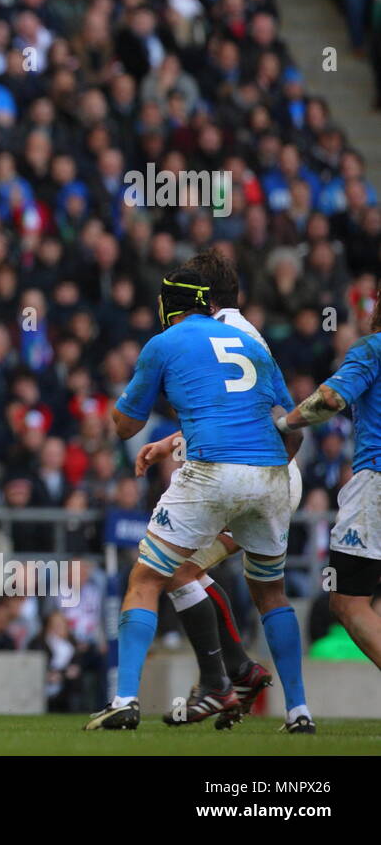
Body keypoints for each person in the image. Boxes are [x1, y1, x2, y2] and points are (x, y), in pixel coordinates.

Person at [89, 266, 314, 733]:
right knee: (268, 592)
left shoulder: (167, 342)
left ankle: (126, 700)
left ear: (170, 307)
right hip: (271, 473)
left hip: (215, 471)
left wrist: (127, 411)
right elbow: (282, 418)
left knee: (149, 575)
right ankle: (296, 712)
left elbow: (125, 425)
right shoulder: (249, 340)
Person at [132, 249, 288, 726]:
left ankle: (227, 676)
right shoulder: (239, 333)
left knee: (163, 571)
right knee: (188, 572)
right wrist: (170, 442)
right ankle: (237, 681)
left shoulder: (218, 332)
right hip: (262, 467)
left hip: (245, 469)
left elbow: (265, 416)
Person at [277, 290, 381, 676]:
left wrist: (285, 424)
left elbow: (332, 398)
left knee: (348, 601)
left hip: (377, 481)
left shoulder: (372, 348)